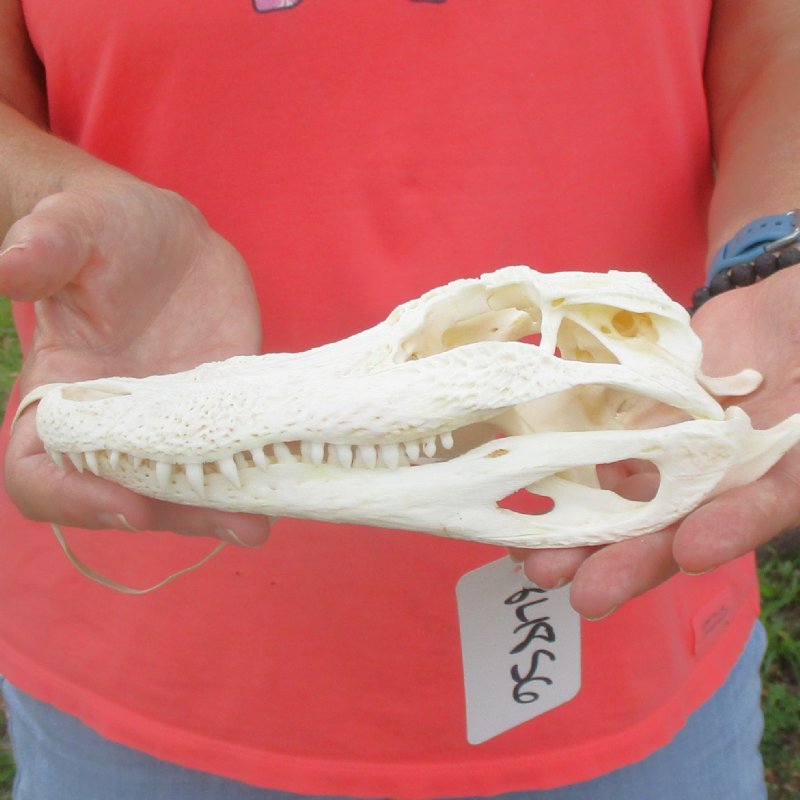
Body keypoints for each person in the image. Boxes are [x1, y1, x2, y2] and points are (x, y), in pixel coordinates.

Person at [0, 1, 796, 797]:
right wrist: (56, 194)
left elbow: (774, 44)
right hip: (139, 689)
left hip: (642, 653)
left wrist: (778, 253)